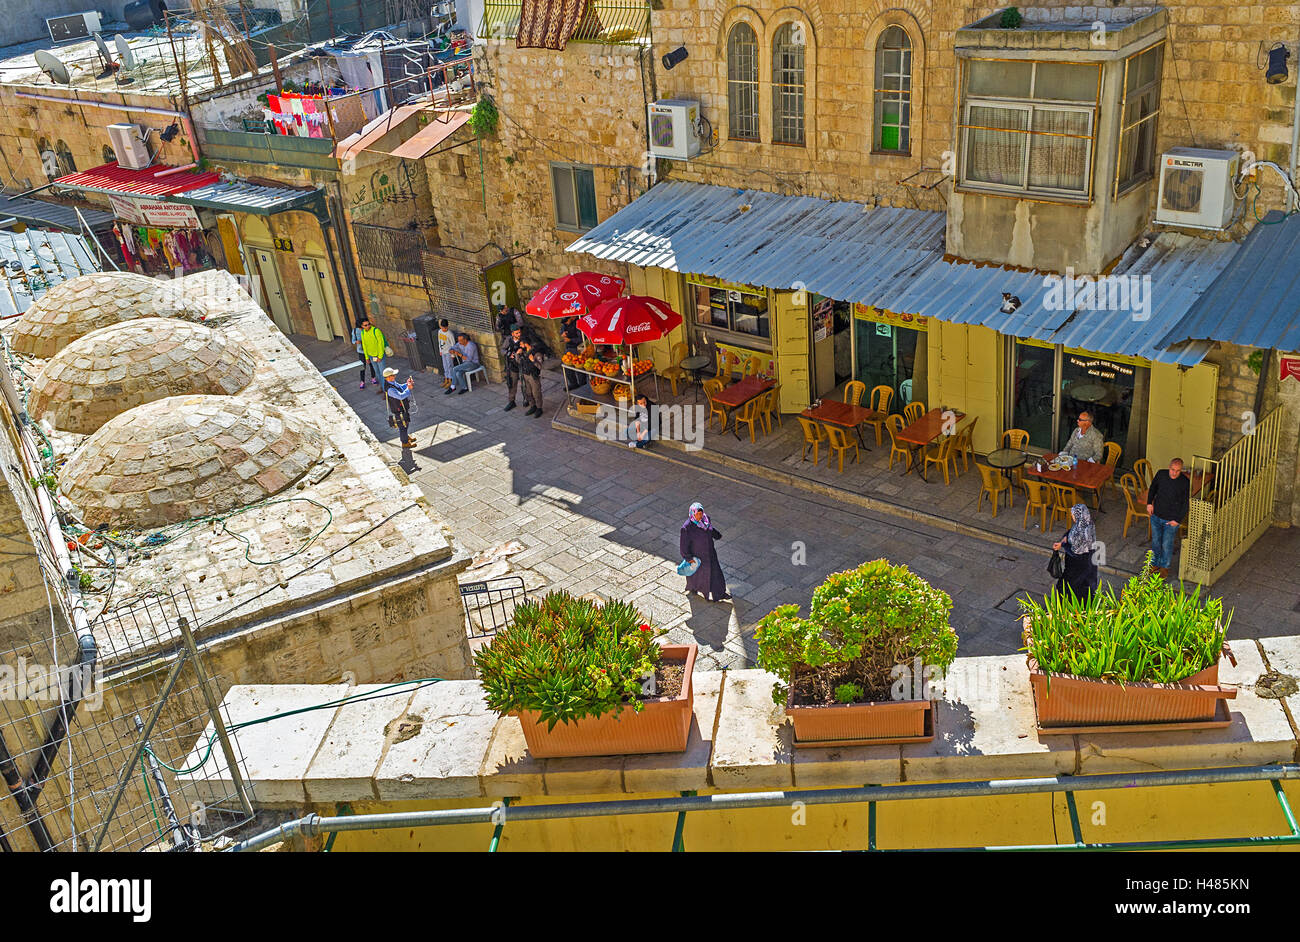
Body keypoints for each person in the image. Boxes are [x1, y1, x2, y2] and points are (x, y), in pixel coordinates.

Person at [1147, 457, 1190, 577]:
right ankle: (1155, 564)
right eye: (1172, 469)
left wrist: (1177, 520)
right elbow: (1153, 488)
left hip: (1171, 519)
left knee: (1167, 543)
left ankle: (1165, 567)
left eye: (1177, 470)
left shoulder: (1184, 482)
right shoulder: (1161, 474)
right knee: (1156, 541)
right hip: (1156, 515)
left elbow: (1186, 503)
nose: (1174, 473)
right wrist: (1149, 503)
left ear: (1181, 470)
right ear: (1169, 467)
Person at [680, 503, 731, 603]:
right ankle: (693, 588)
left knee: (716, 574)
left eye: (700, 514)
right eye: (697, 514)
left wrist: (717, 535)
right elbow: (684, 545)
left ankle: (720, 593)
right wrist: (688, 558)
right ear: (692, 514)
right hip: (697, 557)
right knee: (697, 576)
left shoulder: (706, 519)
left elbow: (710, 529)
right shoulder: (687, 528)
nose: (699, 516)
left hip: (710, 554)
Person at [1052, 503, 1099, 599]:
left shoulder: (1079, 533)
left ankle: (1067, 608)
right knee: (1087, 587)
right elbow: (1071, 533)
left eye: (1073, 514)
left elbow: (1075, 552)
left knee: (1069, 588)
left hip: (1077, 566)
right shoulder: (1088, 524)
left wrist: (1063, 545)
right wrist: (1064, 540)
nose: (1071, 516)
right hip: (1090, 563)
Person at [382, 367, 417, 449]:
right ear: (389, 377)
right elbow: (400, 396)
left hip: (402, 408)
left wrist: (407, 384)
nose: (395, 376)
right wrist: (408, 389)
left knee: (406, 424)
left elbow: (400, 387)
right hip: (399, 410)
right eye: (393, 375)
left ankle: (406, 437)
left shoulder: (392, 382)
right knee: (403, 426)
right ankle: (405, 443)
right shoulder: (390, 389)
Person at [516, 336, 545, 417]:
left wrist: (533, 361)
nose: (520, 346)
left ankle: (539, 408)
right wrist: (517, 354)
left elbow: (540, 366)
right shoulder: (523, 352)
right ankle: (533, 406)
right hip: (525, 375)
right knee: (528, 392)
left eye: (522, 344)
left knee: (536, 393)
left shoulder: (536, 353)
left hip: (533, 376)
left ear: (526, 344)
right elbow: (518, 361)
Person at [359, 318, 387, 394]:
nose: (368, 326)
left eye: (369, 324)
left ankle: (387, 392)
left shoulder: (376, 331)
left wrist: (380, 356)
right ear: (362, 326)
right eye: (365, 325)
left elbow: (380, 344)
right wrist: (367, 357)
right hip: (371, 356)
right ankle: (383, 388)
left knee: (383, 374)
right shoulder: (363, 333)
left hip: (379, 356)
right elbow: (364, 345)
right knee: (377, 373)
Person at [501, 324, 524, 411]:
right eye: (517, 333)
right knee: (511, 383)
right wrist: (509, 354)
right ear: (512, 333)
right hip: (512, 366)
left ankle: (528, 400)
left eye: (519, 332)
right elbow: (502, 349)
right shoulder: (508, 340)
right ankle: (511, 401)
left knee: (525, 385)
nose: (519, 334)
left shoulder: (523, 339)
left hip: (523, 365)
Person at [560, 316, 583, 390]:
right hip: (568, 348)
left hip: (577, 348)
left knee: (579, 366)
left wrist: (570, 340)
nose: (566, 323)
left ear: (571, 317)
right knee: (567, 366)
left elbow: (581, 339)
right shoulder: (565, 323)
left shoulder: (579, 322)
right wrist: (562, 333)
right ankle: (573, 383)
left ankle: (582, 384)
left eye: (567, 321)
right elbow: (562, 329)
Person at [350, 319, 374, 389]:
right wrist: (356, 342)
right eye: (364, 325)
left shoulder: (367, 330)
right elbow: (353, 340)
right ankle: (362, 381)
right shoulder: (355, 331)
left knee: (372, 365)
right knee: (362, 367)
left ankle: (373, 378)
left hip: (369, 350)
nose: (366, 326)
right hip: (361, 351)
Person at [437, 319, 455, 389]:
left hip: (448, 352)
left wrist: (453, 355)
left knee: (450, 366)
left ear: (447, 326)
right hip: (443, 352)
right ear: (440, 326)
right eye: (442, 327)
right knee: (445, 366)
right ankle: (446, 379)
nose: (444, 329)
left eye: (445, 328)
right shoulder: (439, 332)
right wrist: (440, 350)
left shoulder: (450, 334)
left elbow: (453, 344)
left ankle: (451, 380)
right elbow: (439, 341)